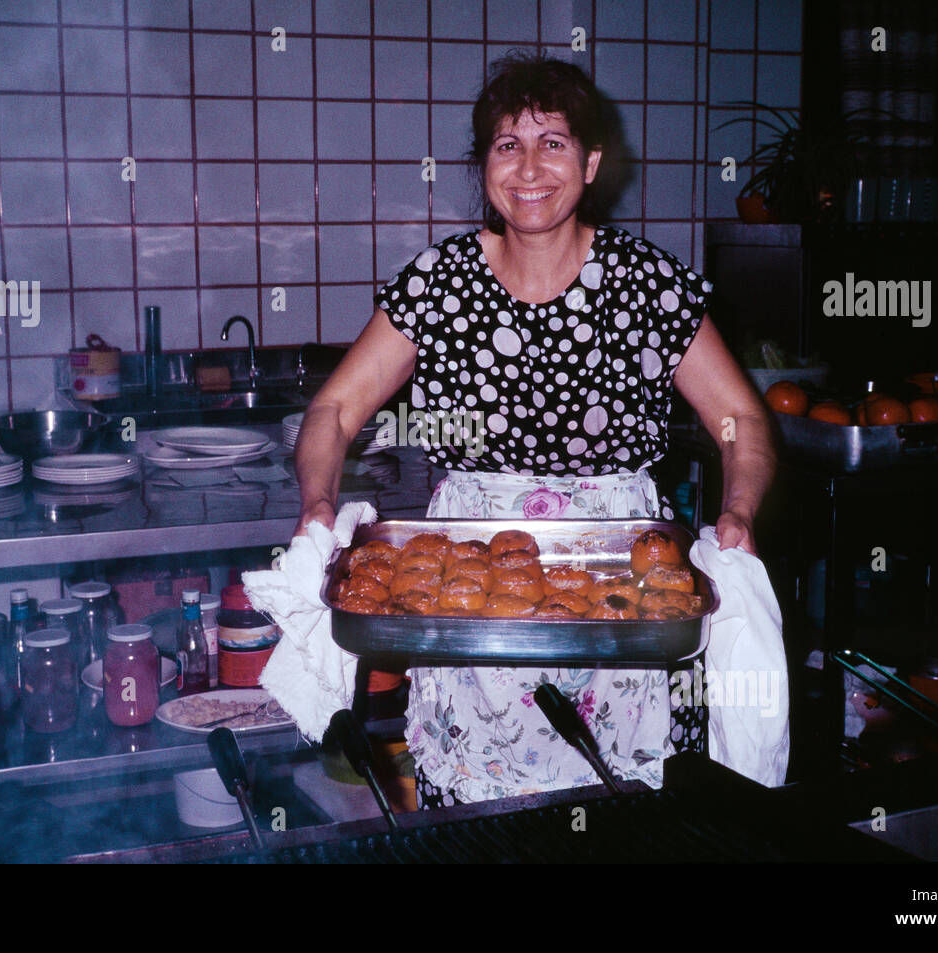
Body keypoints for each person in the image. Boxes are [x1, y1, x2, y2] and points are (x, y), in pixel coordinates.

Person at [293, 54, 776, 806]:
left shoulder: (646, 283)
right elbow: (334, 411)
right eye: (505, 144)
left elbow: (741, 417)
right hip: (468, 595)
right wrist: (319, 505)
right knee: (486, 822)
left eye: (552, 141)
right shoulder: (439, 283)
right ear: (483, 165)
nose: (527, 167)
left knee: (619, 813)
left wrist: (739, 511)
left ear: (589, 162)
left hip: (622, 588)